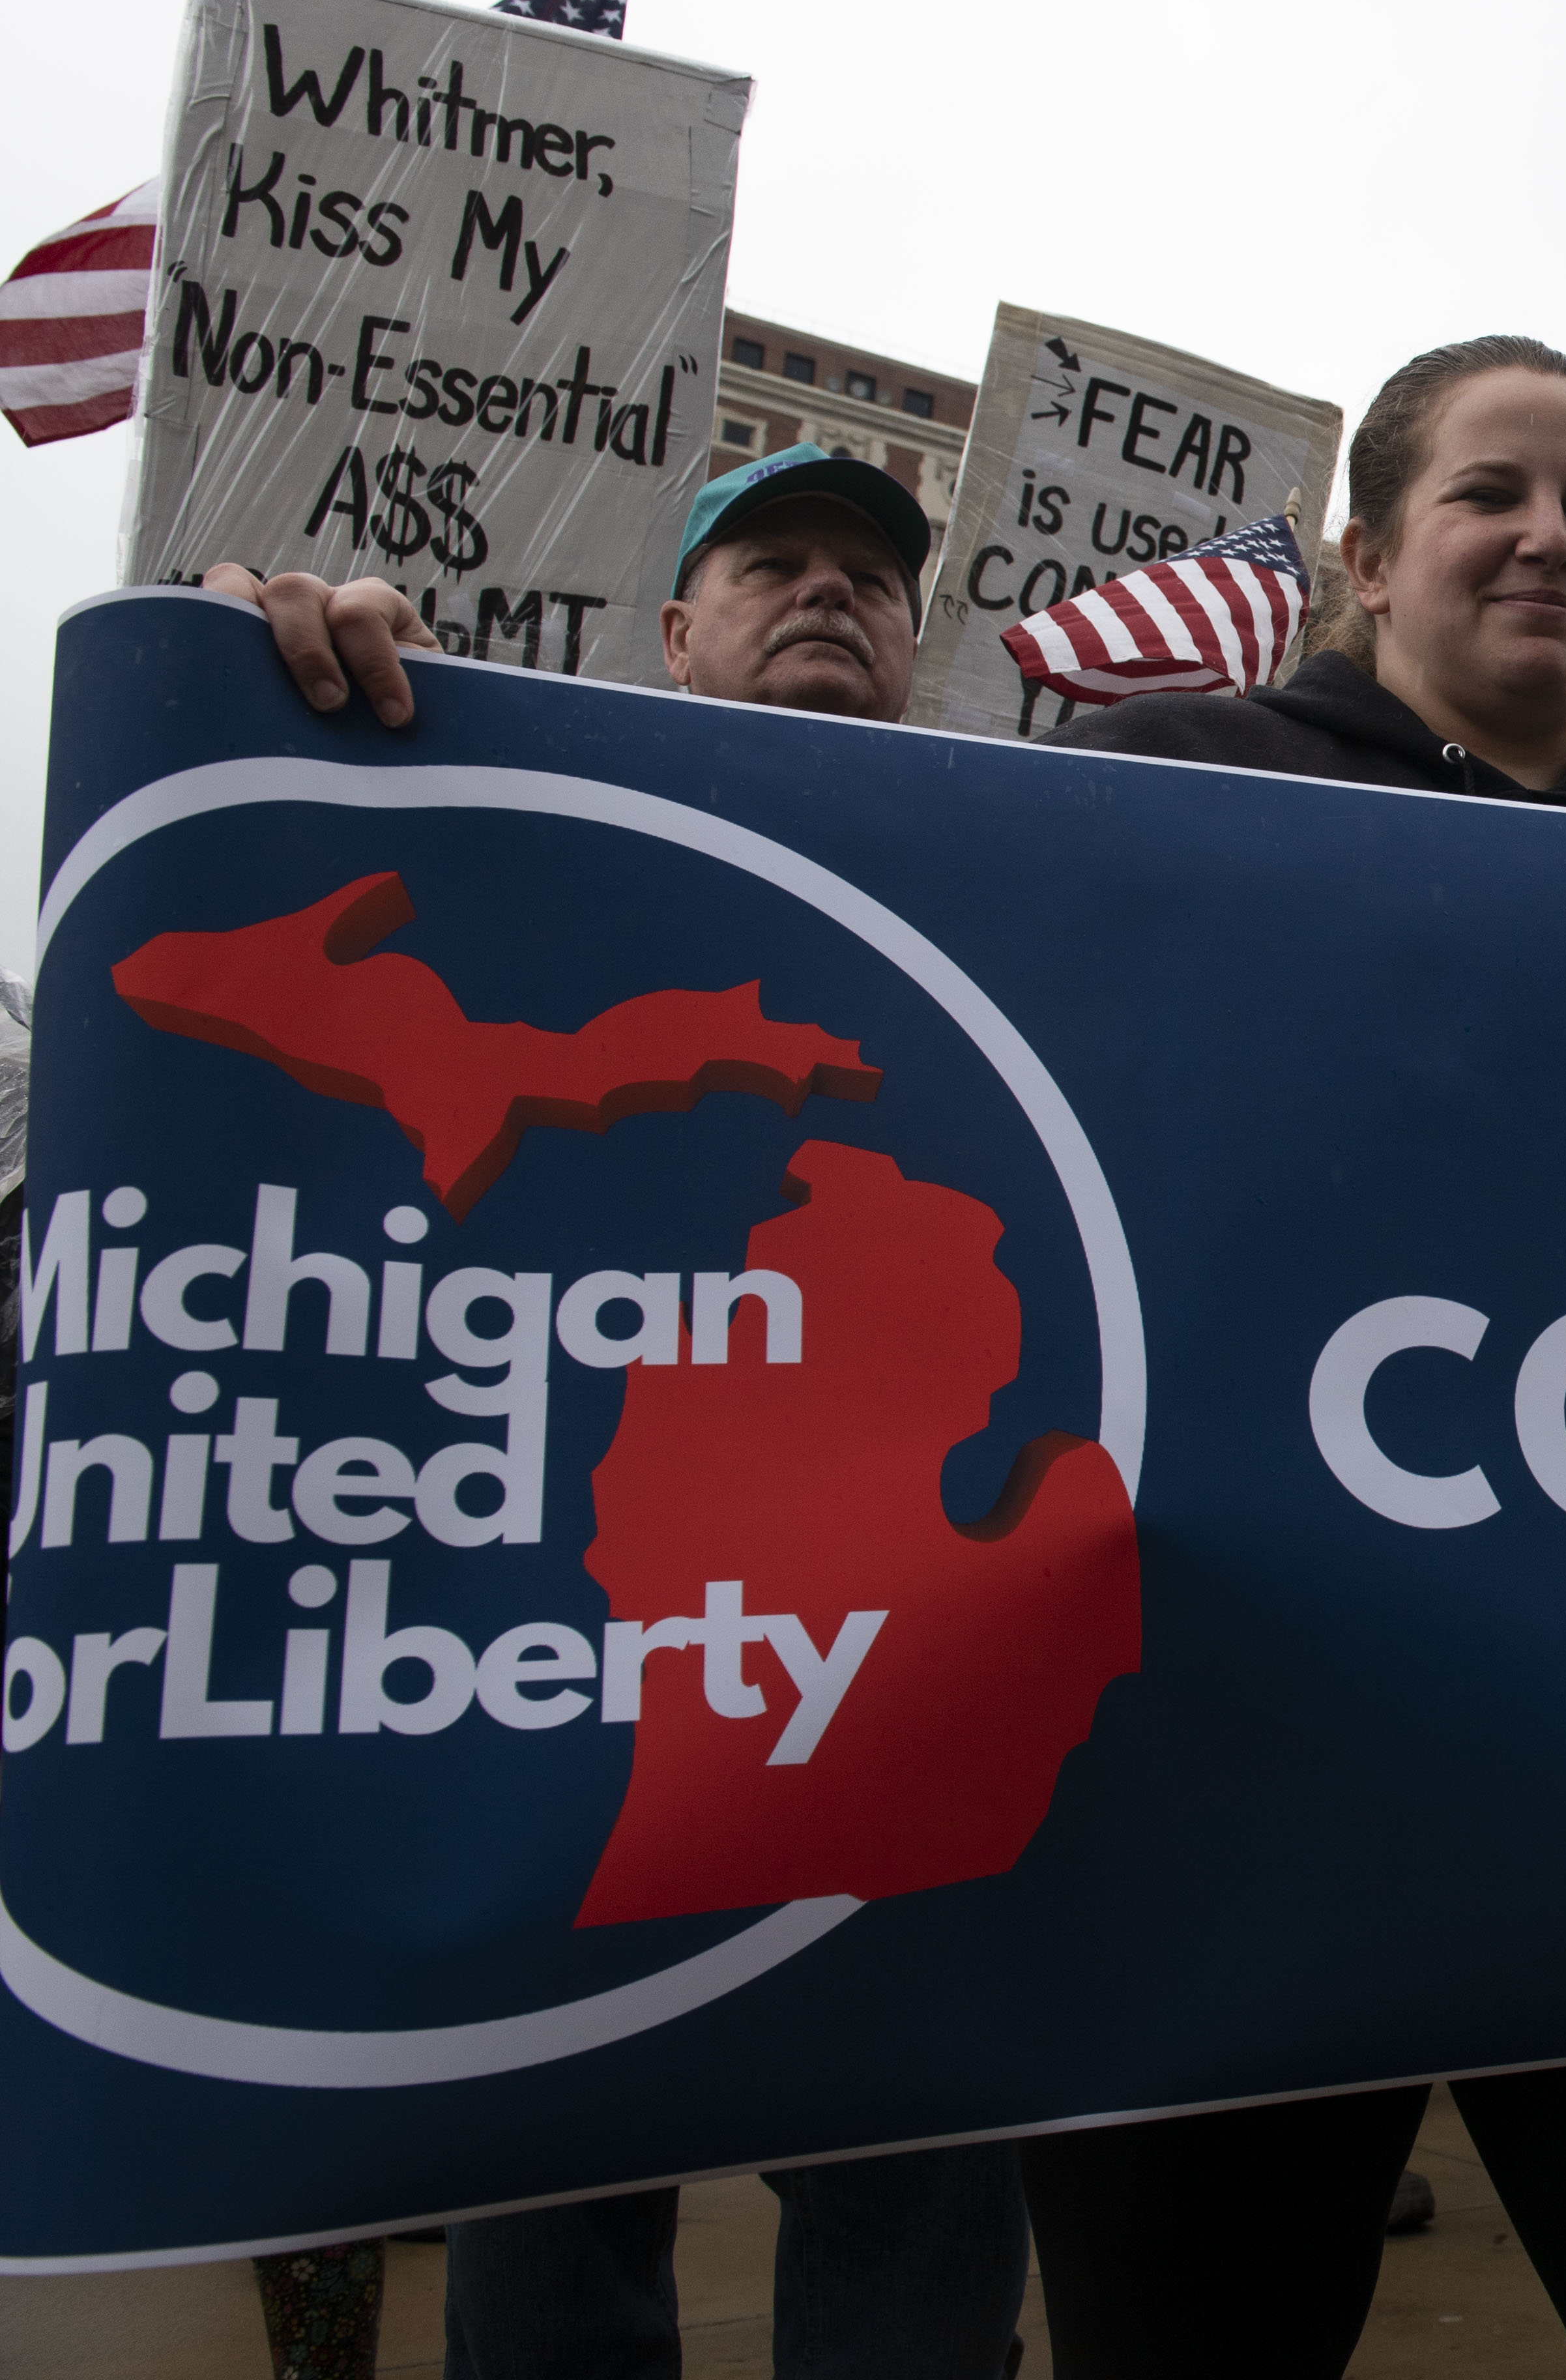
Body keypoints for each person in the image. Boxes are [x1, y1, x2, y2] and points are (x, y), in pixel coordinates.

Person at [1010, 334, 1566, 2380]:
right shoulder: (1158, 790)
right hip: (1242, 1799)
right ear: (1367, 560)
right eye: (1494, 494)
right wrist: (353, 699)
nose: (1552, 538)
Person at [214, 442, 1037, 2380]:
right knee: (562, 2195)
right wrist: (292, 679)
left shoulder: (1011, 874)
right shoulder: (520, 829)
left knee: (914, 2202)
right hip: (576, 1630)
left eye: (869, 573)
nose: (828, 590)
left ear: (922, 642)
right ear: (676, 632)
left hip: (903, 1649)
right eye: (773, 565)